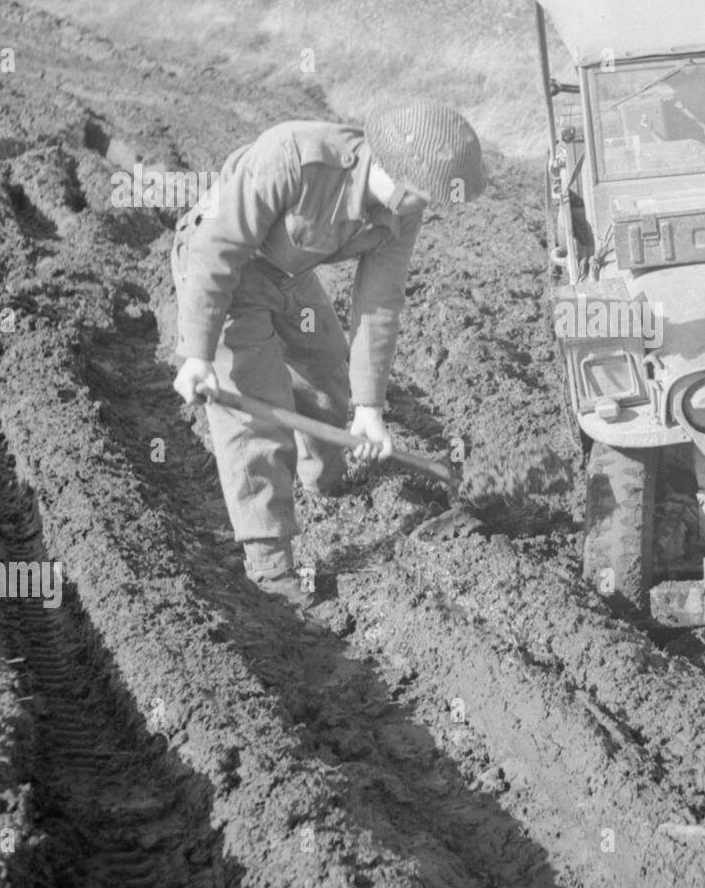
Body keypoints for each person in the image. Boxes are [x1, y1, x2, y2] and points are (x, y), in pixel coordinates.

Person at [170, 100, 484, 622]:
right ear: (392, 169)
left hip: (288, 278)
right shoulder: (294, 159)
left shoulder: (403, 209)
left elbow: (378, 303)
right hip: (224, 272)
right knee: (256, 415)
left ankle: (325, 478)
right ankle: (271, 567)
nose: (418, 209)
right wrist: (197, 354)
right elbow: (215, 250)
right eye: (419, 196)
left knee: (326, 368)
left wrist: (370, 410)